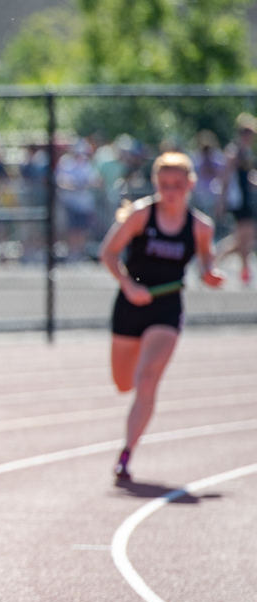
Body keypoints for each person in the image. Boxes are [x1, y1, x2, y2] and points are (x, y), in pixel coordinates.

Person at [99, 152, 225, 483]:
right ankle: (137, 365)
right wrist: (127, 284)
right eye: (164, 185)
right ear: (156, 185)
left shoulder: (200, 226)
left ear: (190, 186)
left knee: (148, 378)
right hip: (131, 305)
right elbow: (108, 253)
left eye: (177, 185)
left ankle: (126, 453)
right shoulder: (141, 215)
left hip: (166, 310)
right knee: (123, 383)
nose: (170, 192)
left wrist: (211, 275)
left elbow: (206, 264)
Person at [222, 113, 256, 286]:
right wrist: (221, 201)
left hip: (246, 197)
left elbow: (247, 177)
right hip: (238, 199)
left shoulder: (247, 153)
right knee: (245, 235)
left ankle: (215, 257)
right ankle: (245, 270)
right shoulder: (234, 152)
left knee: (245, 237)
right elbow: (226, 177)